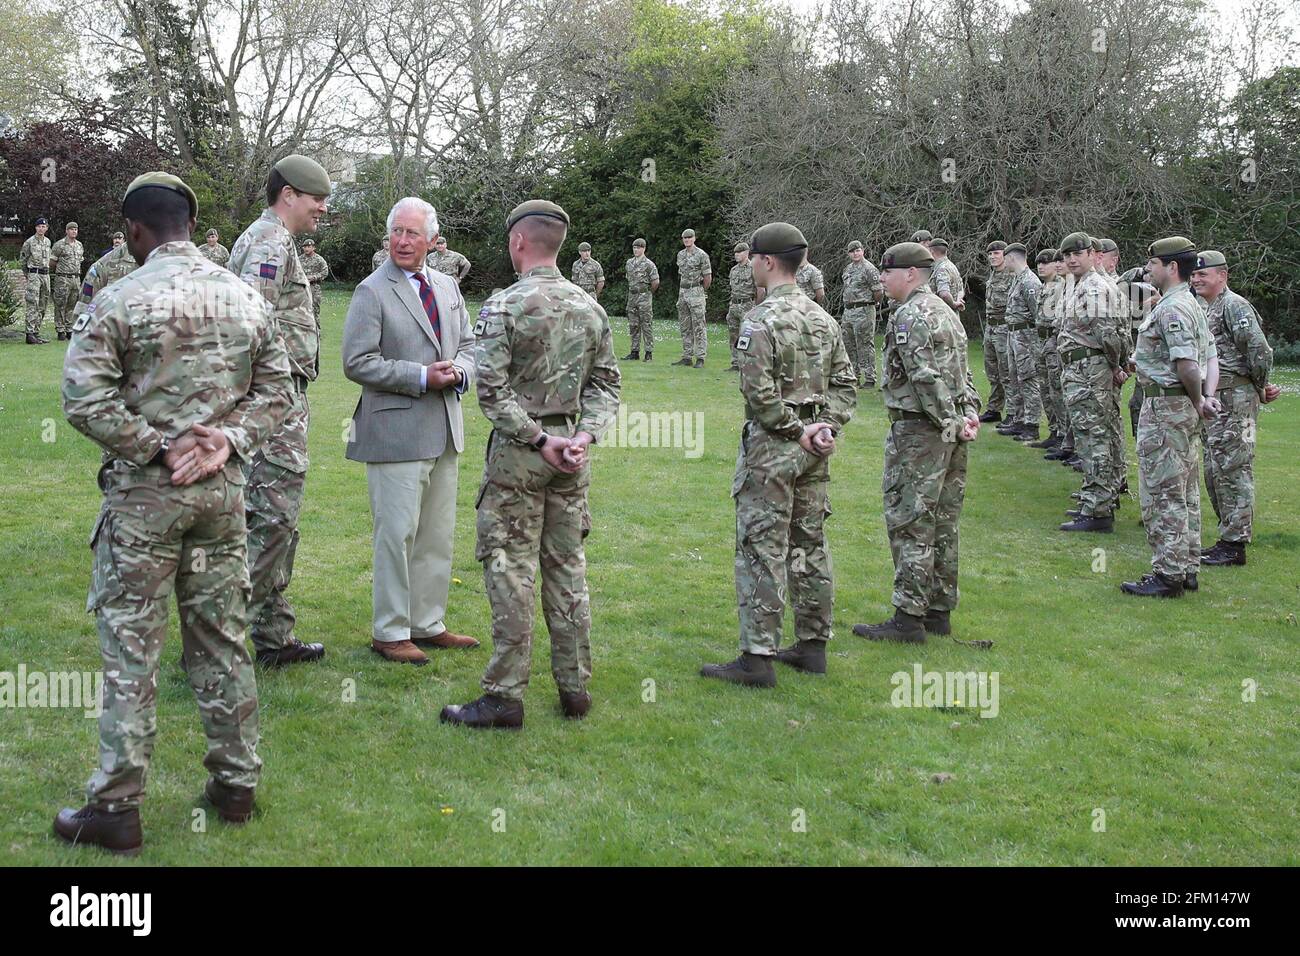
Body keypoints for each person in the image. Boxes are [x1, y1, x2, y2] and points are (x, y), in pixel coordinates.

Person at [54, 172, 293, 855]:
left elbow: (83, 398)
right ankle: (236, 784)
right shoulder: (245, 294)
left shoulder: (121, 295)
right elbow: (281, 386)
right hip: (221, 494)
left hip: (146, 500)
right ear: (189, 223)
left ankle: (117, 806)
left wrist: (159, 446)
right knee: (221, 635)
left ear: (133, 232)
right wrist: (228, 440)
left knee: (133, 645)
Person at [441, 200, 620, 729]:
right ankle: (574, 688)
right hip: (570, 454)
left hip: (523, 456)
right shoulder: (590, 307)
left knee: (509, 569)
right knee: (566, 569)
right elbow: (608, 384)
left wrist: (539, 438)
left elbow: (491, 390)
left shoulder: (505, 306)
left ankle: (505, 695)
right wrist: (582, 435)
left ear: (519, 242)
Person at [700, 223, 856, 686]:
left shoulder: (760, 320)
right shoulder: (824, 319)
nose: (750, 266)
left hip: (774, 447)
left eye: (753, 259)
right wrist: (825, 425)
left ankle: (757, 657)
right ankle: (812, 646)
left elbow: (759, 395)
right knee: (809, 545)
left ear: (766, 262)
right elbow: (847, 384)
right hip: (813, 448)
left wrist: (799, 430)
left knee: (761, 547)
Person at [342, 197, 480, 665]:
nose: (402, 241)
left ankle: (427, 622)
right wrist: (423, 377)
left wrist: (460, 372)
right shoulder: (370, 291)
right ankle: (390, 631)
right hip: (394, 432)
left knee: (436, 535)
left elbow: (469, 345)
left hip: (444, 428)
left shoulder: (446, 285)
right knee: (397, 535)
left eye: (412, 234)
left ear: (433, 241)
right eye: (395, 232)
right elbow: (357, 362)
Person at [227, 154, 333, 666]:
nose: (322, 209)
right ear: (288, 193)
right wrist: (268, 398)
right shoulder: (269, 242)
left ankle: (273, 638)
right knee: (271, 519)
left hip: (276, 395)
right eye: (317, 199)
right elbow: (251, 323)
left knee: (274, 520)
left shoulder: (272, 238)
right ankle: (217, 641)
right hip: (273, 400)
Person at [853, 242, 980, 643]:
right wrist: (969, 414)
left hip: (921, 431)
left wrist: (951, 421)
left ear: (910, 273)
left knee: (911, 520)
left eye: (888, 271)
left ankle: (908, 617)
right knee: (943, 520)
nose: (882, 278)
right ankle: (938, 611)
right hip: (951, 429)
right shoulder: (945, 310)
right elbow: (963, 372)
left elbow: (924, 377)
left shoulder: (908, 315)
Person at [1122, 236, 1213, 597]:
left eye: (1153, 264)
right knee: (1185, 488)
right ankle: (1186, 566)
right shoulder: (1190, 304)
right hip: (1179, 406)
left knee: (1164, 490)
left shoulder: (1173, 309)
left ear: (1172, 267)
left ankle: (1168, 574)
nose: (1147, 270)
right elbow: (1207, 358)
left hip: (1166, 407)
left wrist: (1196, 398)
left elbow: (1187, 363)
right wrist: (1201, 400)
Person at [1190, 250, 1279, 568]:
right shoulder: (1205, 307)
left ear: (1222, 276)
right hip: (1217, 400)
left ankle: (1235, 544)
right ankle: (1226, 537)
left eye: (1204, 274)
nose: (1197, 279)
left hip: (1237, 401)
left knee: (1234, 468)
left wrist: (1260, 385)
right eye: (1195, 274)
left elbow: (1259, 350)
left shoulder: (1234, 305)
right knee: (1215, 471)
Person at [1056, 231, 1126, 533]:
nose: (1071, 259)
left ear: (1091, 254)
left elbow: (1107, 333)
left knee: (1094, 438)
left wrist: (1114, 365)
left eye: (1078, 253)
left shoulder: (1094, 287)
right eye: (1067, 255)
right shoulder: (1080, 285)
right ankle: (1096, 498)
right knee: (1092, 436)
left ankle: (1098, 510)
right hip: (1081, 369)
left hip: (1089, 370)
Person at [996, 243, 1044, 441]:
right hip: (1014, 335)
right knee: (1014, 378)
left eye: (1005, 257)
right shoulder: (1017, 280)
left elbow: (1038, 314)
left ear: (1011, 258)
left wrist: (1034, 343)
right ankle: (1018, 419)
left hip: (1026, 337)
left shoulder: (1030, 282)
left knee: (1028, 379)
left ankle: (1031, 424)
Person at [842, 240, 884, 387]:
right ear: (849, 253)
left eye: (857, 250)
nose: (855, 253)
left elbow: (878, 291)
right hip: (848, 310)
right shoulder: (847, 269)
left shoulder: (869, 269)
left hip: (864, 309)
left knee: (865, 344)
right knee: (849, 345)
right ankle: (853, 376)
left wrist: (873, 303)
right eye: (852, 251)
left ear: (863, 251)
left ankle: (870, 377)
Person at [979, 241, 1011, 422]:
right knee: (992, 371)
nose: (992, 257)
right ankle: (994, 408)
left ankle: (1014, 413)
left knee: (1006, 371)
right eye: (990, 254)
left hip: (1004, 327)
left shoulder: (1012, 276)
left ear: (1005, 255)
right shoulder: (992, 275)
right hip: (991, 327)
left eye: (996, 253)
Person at [73, 233, 138, 322]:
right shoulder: (106, 262)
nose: (117, 240)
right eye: (115, 238)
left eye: (119, 238)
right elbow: (84, 306)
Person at [674, 228, 711, 367]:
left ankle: (700, 357)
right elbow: (681, 274)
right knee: (685, 326)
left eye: (689, 238)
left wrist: (701, 291)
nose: (687, 240)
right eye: (685, 238)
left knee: (699, 326)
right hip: (683, 291)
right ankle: (687, 356)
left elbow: (707, 277)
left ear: (694, 238)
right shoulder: (680, 255)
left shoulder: (702, 255)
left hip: (696, 291)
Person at [726, 241, 760, 371]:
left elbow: (760, 289)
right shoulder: (733, 270)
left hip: (747, 304)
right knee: (733, 335)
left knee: (747, 335)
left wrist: (757, 306)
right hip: (734, 305)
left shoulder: (753, 268)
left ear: (746, 253)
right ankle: (735, 362)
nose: (736, 255)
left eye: (739, 252)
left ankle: (747, 363)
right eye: (735, 253)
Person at [624, 238, 659, 361]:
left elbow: (655, 282)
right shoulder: (629, 263)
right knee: (633, 325)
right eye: (634, 247)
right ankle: (634, 352)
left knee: (646, 325)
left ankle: (648, 353)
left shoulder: (649, 264)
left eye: (638, 247)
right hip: (632, 297)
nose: (636, 250)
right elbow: (629, 279)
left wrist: (648, 293)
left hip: (644, 297)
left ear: (644, 248)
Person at [49, 221, 85, 341]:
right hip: (63, 278)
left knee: (72, 304)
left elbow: (80, 261)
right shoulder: (60, 245)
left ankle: (69, 328)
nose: (74, 231)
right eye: (71, 229)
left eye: (75, 229)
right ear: (67, 231)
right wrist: (61, 271)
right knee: (60, 304)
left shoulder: (79, 245)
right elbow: (52, 262)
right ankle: (60, 330)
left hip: (75, 278)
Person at [19, 217, 52, 344]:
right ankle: (29, 333)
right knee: (33, 303)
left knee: (43, 304)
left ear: (46, 228)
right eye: (39, 226)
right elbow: (23, 260)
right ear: (36, 228)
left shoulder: (48, 242)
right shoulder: (29, 242)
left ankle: (36, 332)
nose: (41, 228)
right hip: (34, 274)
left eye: (44, 227)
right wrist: (28, 275)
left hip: (46, 275)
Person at [300, 238, 330, 324]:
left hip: (314, 289)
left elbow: (325, 272)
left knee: (314, 313)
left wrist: (314, 277)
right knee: (301, 313)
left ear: (313, 248)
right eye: (305, 247)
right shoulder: (299, 259)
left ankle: (317, 335)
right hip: (302, 288)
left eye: (309, 246)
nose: (306, 249)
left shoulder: (319, 259)